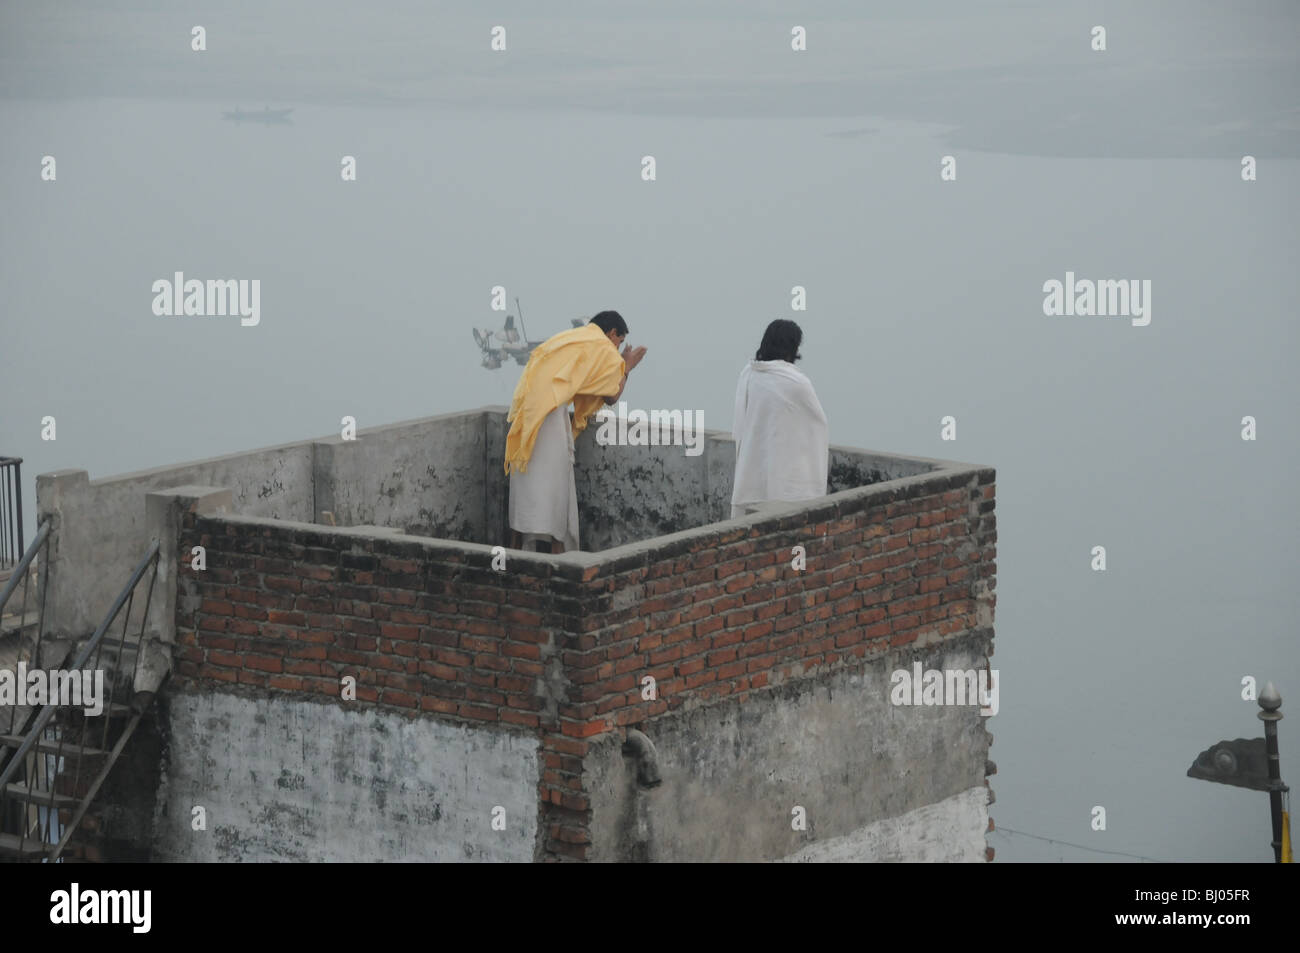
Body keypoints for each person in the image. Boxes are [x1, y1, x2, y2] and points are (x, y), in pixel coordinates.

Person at [505, 311, 647, 552]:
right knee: (556, 489)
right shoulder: (601, 346)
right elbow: (612, 395)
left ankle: (515, 554)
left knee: (525, 487)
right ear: (612, 333)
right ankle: (558, 557)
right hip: (549, 418)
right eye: (619, 342)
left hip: (526, 416)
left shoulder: (568, 338)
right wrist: (627, 366)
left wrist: (619, 361)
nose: (617, 348)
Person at [730, 319, 828, 519]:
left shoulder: (749, 373)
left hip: (751, 464)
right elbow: (817, 425)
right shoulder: (796, 382)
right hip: (787, 475)